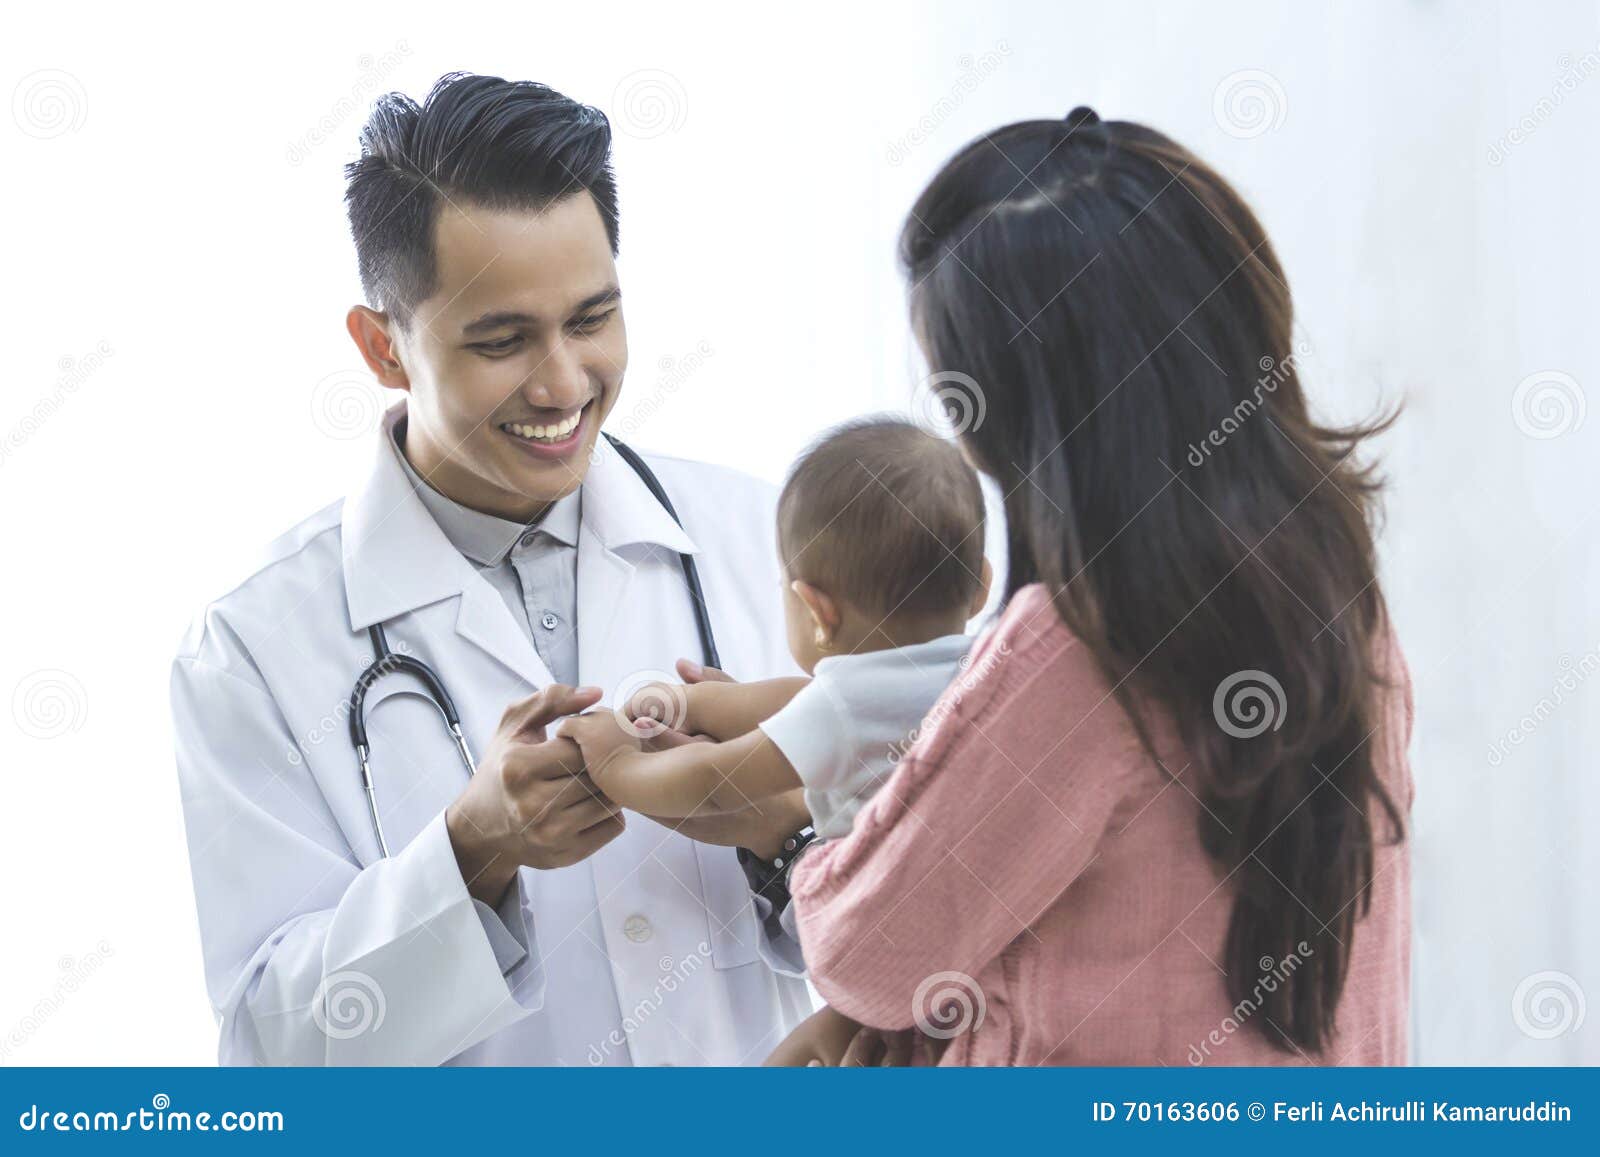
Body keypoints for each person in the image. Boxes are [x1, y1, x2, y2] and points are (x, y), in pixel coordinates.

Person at [169, 72, 814, 1066]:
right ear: (382, 345)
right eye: (502, 340)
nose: (562, 382)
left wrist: (782, 834)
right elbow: (274, 1051)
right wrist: (469, 850)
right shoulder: (250, 649)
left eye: (591, 318)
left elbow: (945, 923)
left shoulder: (760, 536)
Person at [788, 108, 1415, 1065]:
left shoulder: (1082, 650)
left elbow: (867, 953)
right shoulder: (1335, 584)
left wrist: (816, 848)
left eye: (955, 391)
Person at [559, 417, 991, 1065]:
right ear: (982, 583)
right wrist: (704, 701)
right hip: (976, 931)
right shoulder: (991, 670)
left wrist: (616, 764)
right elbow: (799, 699)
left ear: (816, 611)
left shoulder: (843, 710)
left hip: (883, 938)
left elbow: (716, 779)